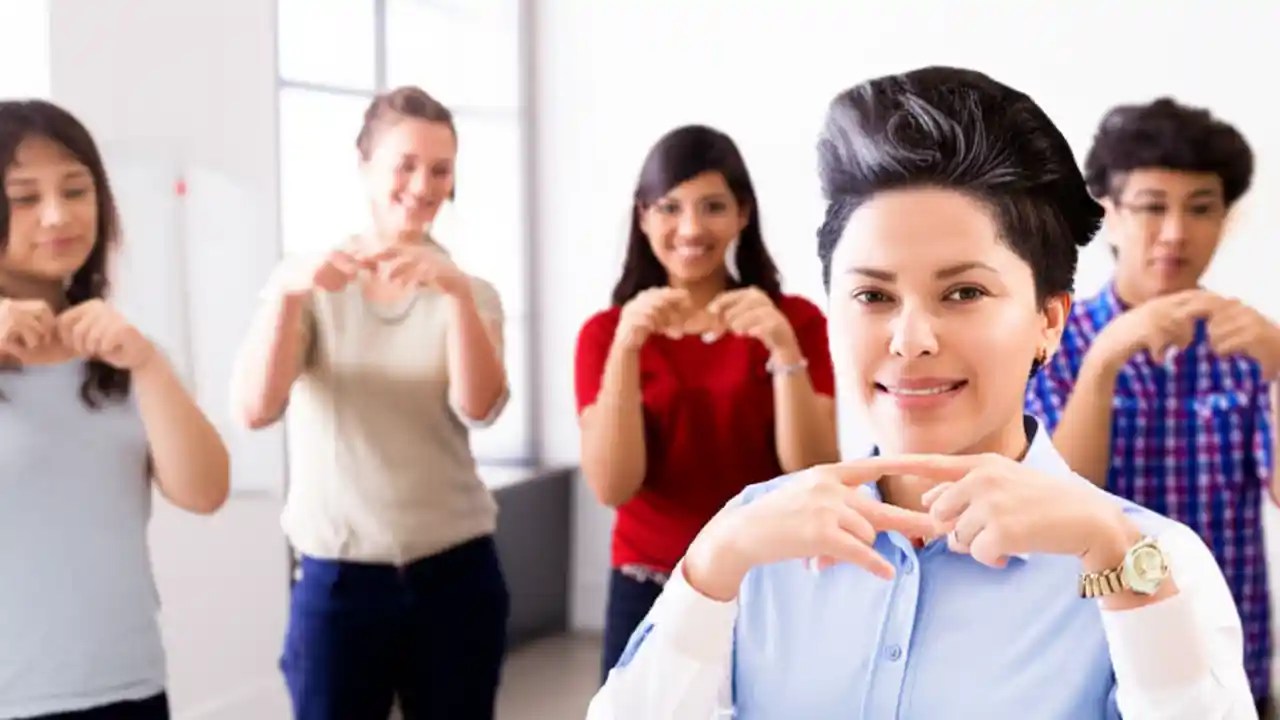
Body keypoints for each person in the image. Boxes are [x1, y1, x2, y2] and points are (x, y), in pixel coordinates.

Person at [587, 68, 1253, 719]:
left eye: (964, 293)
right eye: (872, 295)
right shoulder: (753, 540)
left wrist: (1116, 559)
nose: (910, 340)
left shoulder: (1146, 559)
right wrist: (711, 567)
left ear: (1048, 320)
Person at [230, 86, 510, 720]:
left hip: (456, 572)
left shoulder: (472, 292)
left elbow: (480, 406)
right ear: (365, 166)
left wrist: (457, 299)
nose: (423, 185)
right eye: (405, 165)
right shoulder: (305, 282)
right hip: (338, 580)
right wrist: (290, 299)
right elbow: (255, 409)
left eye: (440, 169)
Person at [1024, 97, 1276, 715]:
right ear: (1107, 213)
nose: (1175, 233)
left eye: (1200, 209)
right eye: (1151, 206)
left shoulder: (1250, 344)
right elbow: (1060, 498)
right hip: (1084, 654)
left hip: (1226, 659)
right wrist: (1104, 362)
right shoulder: (1055, 337)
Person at [574, 124, 839, 680]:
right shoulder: (605, 334)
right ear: (643, 216)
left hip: (768, 581)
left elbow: (812, 471)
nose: (691, 228)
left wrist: (784, 351)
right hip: (648, 587)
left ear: (743, 214)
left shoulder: (796, 322)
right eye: (670, 207)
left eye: (713, 206)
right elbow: (612, 486)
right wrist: (626, 349)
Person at [0, 100, 230, 719]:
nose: (57, 215)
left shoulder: (125, 353)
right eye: (24, 197)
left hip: (124, 687)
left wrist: (149, 365)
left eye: (76, 189)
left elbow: (205, 492)